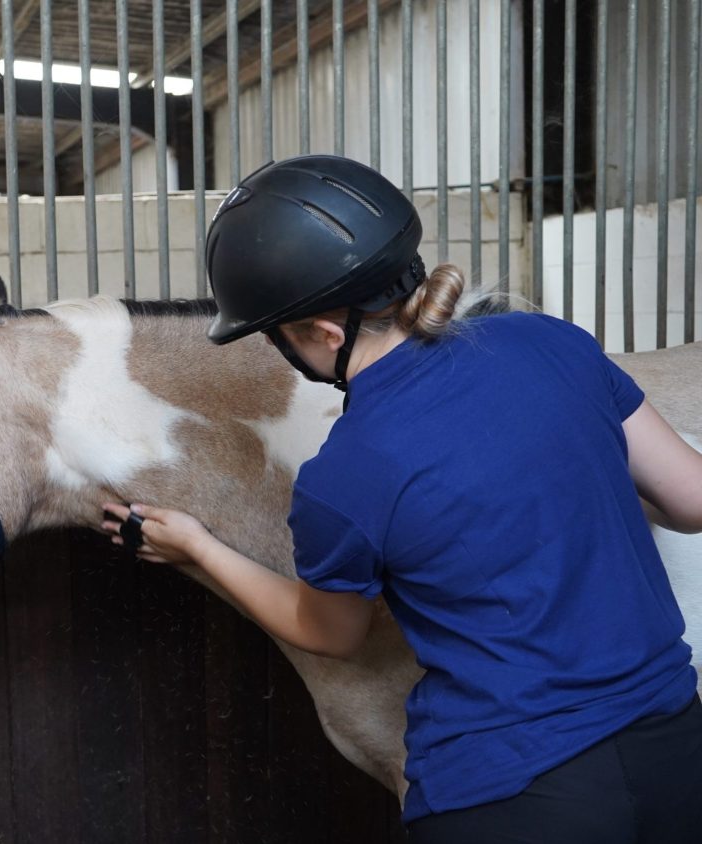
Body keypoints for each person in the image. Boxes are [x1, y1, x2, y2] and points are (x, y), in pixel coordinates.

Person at [102, 155, 702, 844]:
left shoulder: (346, 473)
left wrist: (198, 547)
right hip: (676, 754)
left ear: (325, 334)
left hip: (512, 794)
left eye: (274, 334)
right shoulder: (550, 340)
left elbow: (331, 634)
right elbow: (692, 500)